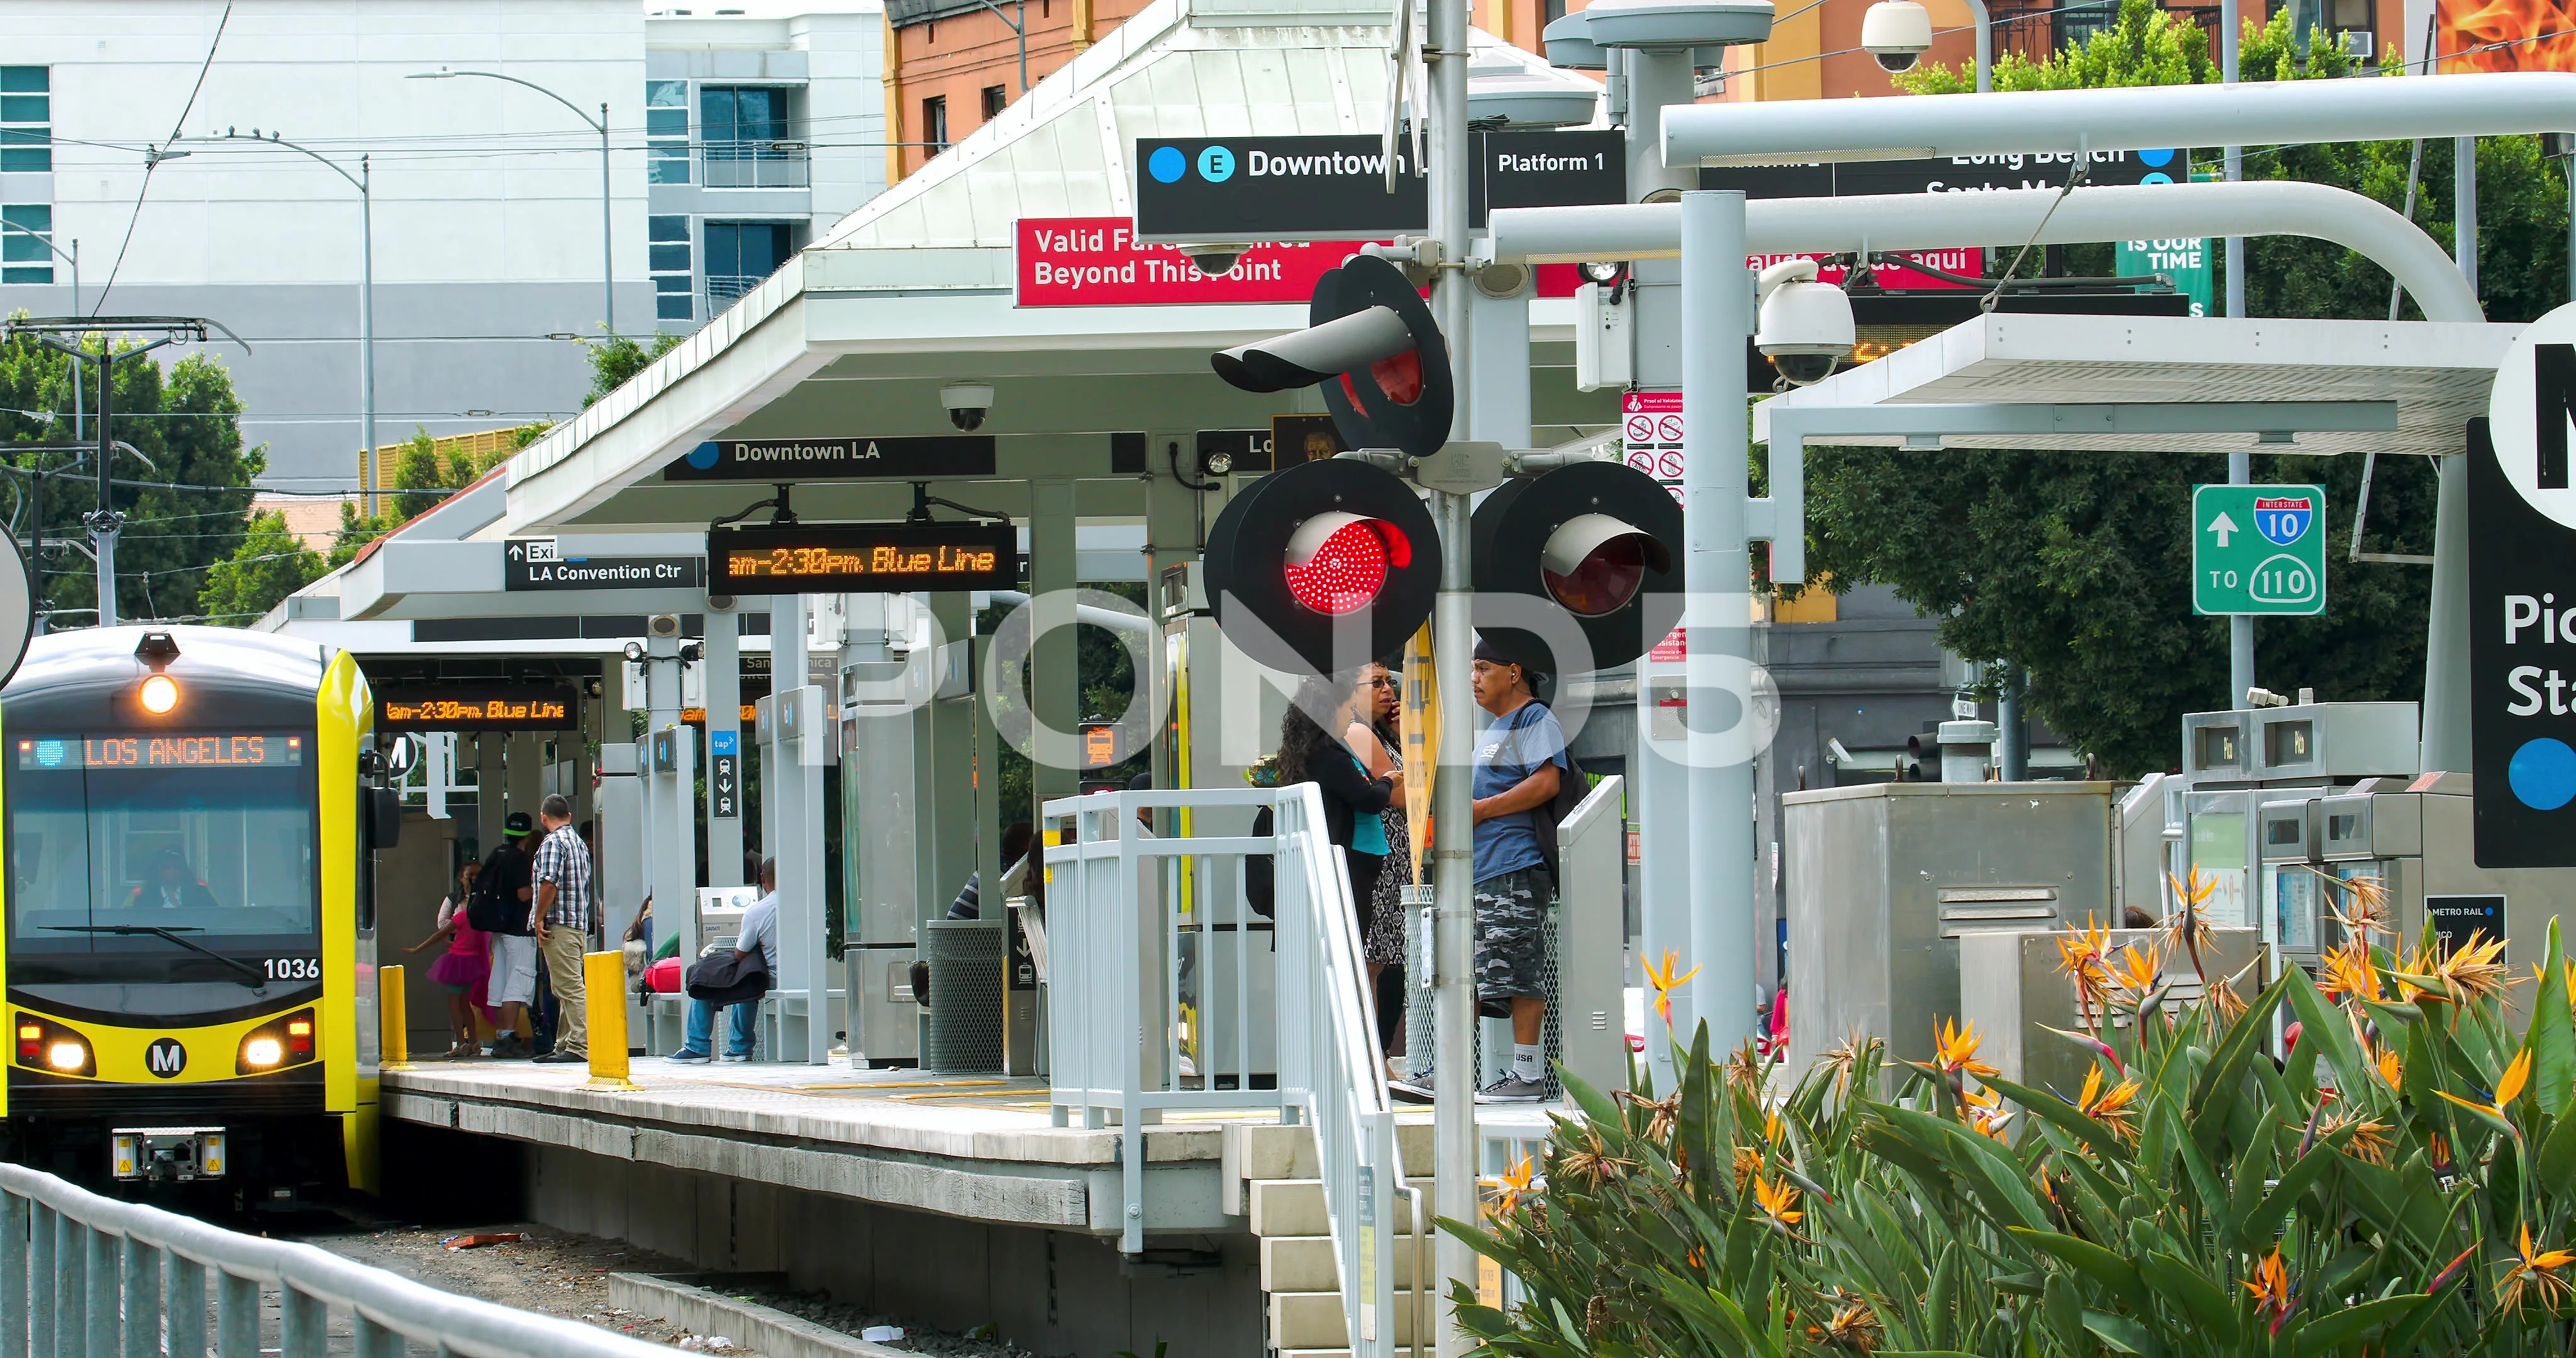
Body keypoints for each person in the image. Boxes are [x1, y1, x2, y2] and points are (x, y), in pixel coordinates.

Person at [1396, 641, 1574, 1105]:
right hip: (1484, 870)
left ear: (1514, 673)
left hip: (1516, 865)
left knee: (1516, 969)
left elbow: (1547, 779)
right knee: (1467, 970)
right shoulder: (1495, 728)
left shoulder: (1536, 720)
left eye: (1483, 668)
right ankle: (1449, 1069)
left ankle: (1526, 1074)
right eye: (1471, 668)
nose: (1474, 678)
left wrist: (1484, 810)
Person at [1278, 668, 1395, 955]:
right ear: (1332, 709)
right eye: (1349, 707)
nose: (1352, 715)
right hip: (1348, 859)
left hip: (1351, 857)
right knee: (1349, 942)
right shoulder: (1328, 753)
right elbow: (1368, 799)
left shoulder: (1312, 750)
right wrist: (1389, 781)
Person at [1350, 661, 1412, 1062]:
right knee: (1373, 963)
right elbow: (1404, 795)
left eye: (1390, 682)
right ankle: (1373, 1061)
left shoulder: (1376, 733)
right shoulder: (1359, 733)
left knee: (1381, 963)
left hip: (1392, 856)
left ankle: (1378, 1058)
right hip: (1384, 858)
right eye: (1375, 684)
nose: (1388, 690)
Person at [669, 857, 779, 1063]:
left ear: (763, 879)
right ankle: (739, 1047)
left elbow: (740, 953)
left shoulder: (759, 911)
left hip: (770, 977)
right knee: (746, 982)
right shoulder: (807, 906)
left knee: (704, 978)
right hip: (799, 977)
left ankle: (697, 1046)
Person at [529, 793, 594, 1064]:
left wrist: (539, 917)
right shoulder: (578, 842)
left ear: (543, 818)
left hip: (560, 925)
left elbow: (549, 884)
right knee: (564, 986)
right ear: (568, 816)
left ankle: (581, 1045)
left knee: (570, 987)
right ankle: (565, 1043)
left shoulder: (553, 843)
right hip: (578, 925)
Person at [406, 861, 491, 1060]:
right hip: (473, 962)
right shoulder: (482, 914)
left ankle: (461, 1043)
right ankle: (475, 1042)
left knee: (455, 1004)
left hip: (458, 961)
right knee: (465, 1004)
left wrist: (417, 949)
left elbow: (440, 933)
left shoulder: (461, 917)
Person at [477, 814, 540, 1059]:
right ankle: (509, 1037)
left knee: (502, 982)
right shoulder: (520, 860)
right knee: (517, 983)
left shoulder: (497, 855)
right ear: (526, 834)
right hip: (519, 930)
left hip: (499, 929)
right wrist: (545, 889)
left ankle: (502, 1037)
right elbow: (524, 895)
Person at [131, 852, 219, 910]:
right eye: (167, 868)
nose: (172, 872)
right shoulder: (145, 896)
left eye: (177, 868)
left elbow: (215, 918)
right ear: (159, 871)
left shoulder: (200, 893)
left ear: (184, 870)